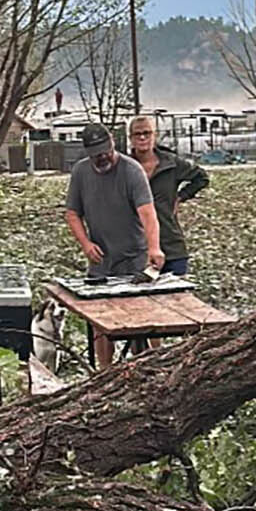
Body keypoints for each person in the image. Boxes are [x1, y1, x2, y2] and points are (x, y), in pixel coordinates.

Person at [64, 123, 166, 368]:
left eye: (106, 152)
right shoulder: (80, 173)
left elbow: (147, 213)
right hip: (101, 260)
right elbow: (72, 213)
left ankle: (151, 364)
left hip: (133, 258)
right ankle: (105, 372)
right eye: (96, 155)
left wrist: (154, 247)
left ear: (113, 146)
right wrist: (86, 243)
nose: (102, 158)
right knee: (100, 320)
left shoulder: (132, 171)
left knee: (144, 318)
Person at [128, 114, 210, 276]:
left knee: (178, 298)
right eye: (137, 134)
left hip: (171, 246)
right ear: (130, 138)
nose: (143, 137)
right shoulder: (125, 167)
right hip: (136, 249)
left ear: (155, 135)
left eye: (147, 133)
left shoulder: (171, 163)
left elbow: (201, 178)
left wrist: (180, 197)